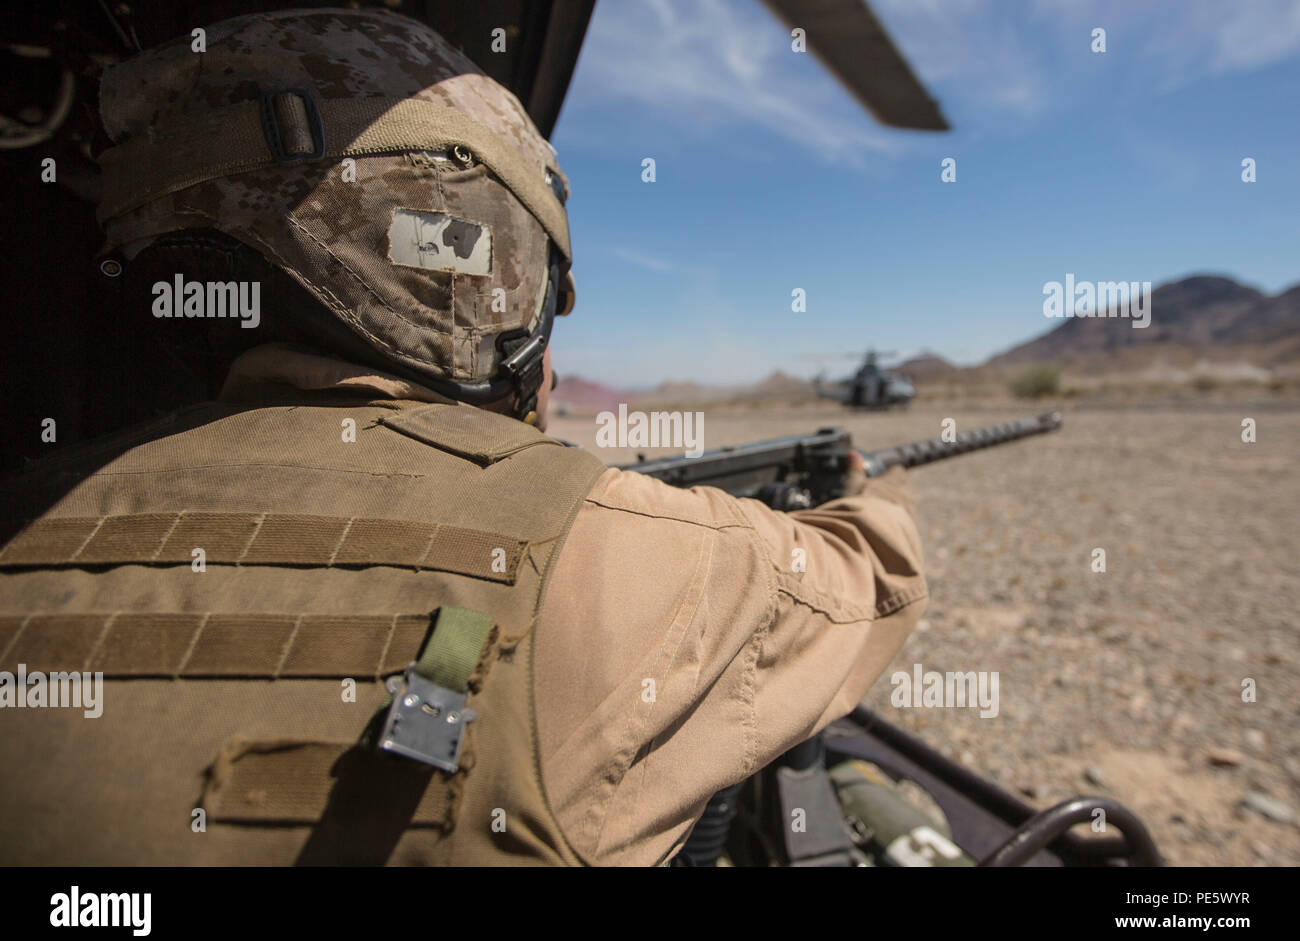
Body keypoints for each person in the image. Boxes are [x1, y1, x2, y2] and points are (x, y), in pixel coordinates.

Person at [0, 8, 926, 866]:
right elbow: (873, 577)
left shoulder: (34, 502)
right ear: (494, 273)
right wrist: (873, 482)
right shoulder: (620, 559)